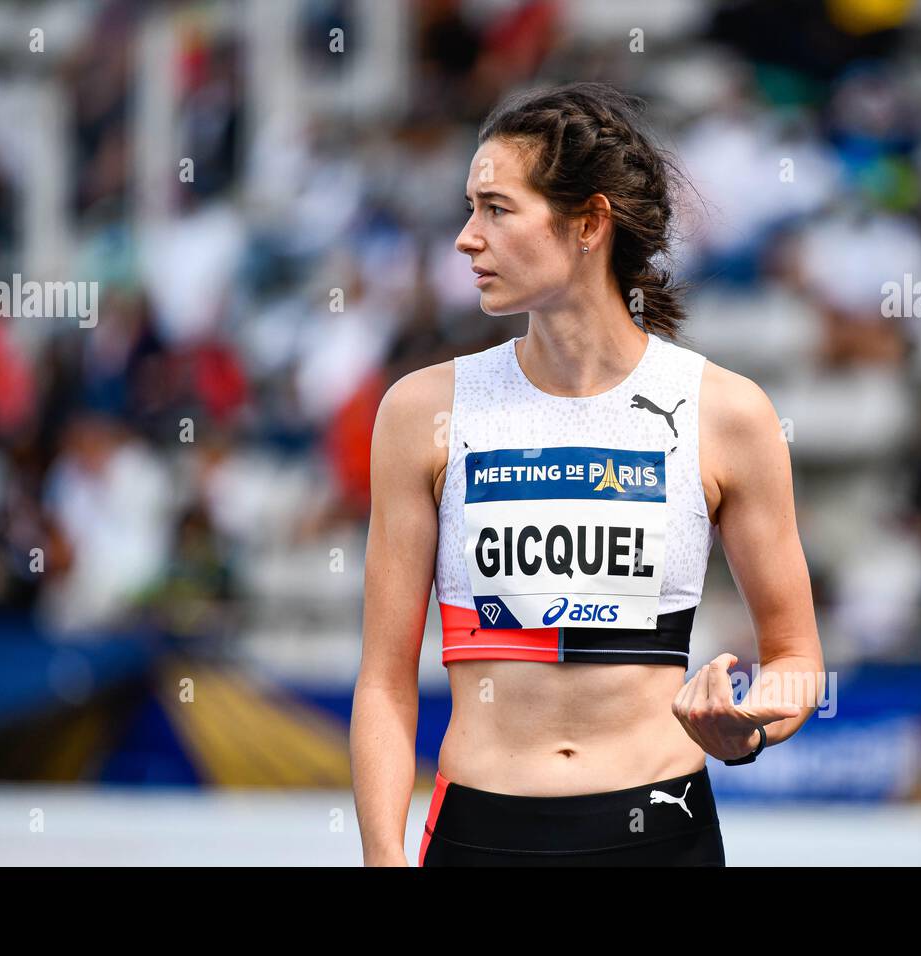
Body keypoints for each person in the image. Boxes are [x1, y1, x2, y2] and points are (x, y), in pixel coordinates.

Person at [351, 82, 824, 866]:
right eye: (470, 208)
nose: (467, 238)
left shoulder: (725, 412)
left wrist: (749, 729)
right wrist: (381, 858)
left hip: (660, 832)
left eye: (496, 209)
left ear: (588, 223)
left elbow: (796, 659)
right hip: (480, 834)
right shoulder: (422, 411)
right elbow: (383, 683)